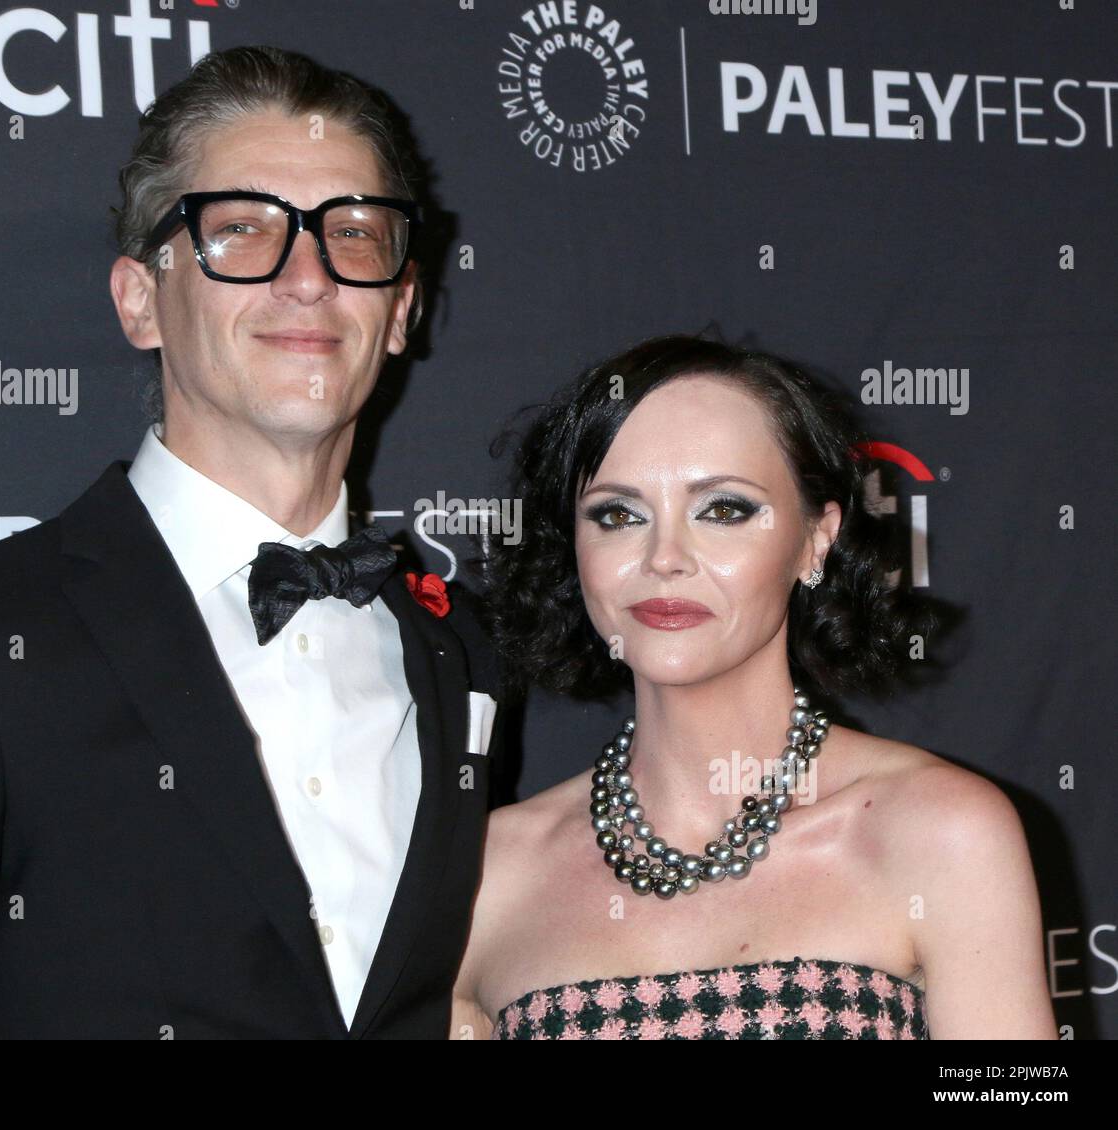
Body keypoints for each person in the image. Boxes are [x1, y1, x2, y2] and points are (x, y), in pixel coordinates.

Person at [0, 45, 499, 1039]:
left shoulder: (456, 647)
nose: (308, 279)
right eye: (241, 230)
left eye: (352, 235)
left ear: (399, 307)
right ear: (140, 299)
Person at [451, 334, 1056, 1040]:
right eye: (618, 514)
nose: (665, 558)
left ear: (814, 539)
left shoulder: (939, 832)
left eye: (725, 510)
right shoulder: (490, 875)